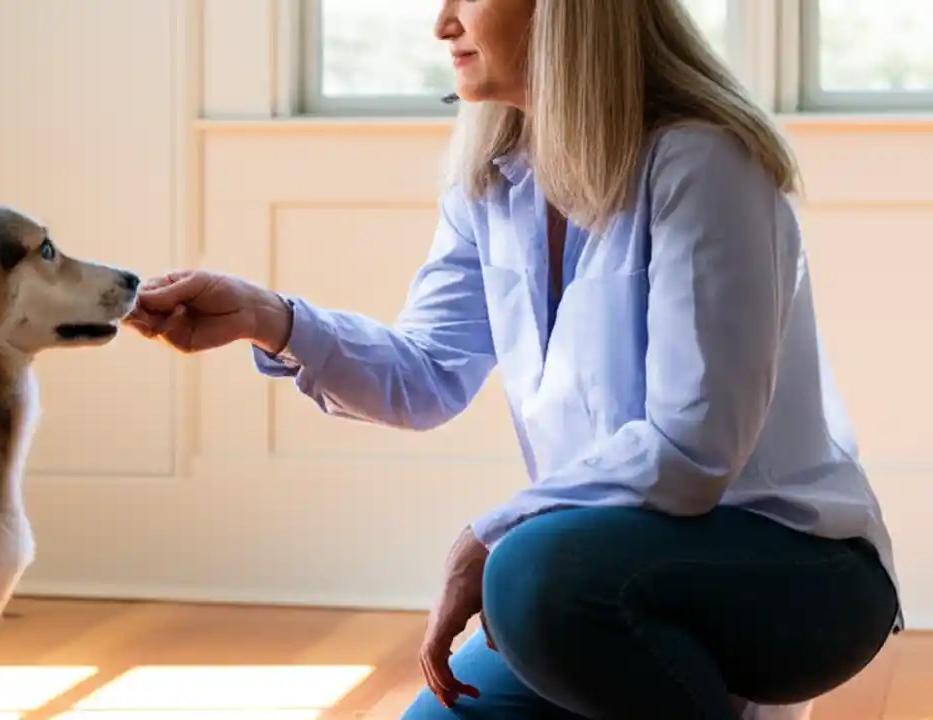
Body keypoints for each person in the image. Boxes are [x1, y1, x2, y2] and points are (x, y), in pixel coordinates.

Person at [125, 0, 902, 717]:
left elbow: (693, 450)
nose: (442, 23)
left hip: (799, 572)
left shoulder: (703, 164)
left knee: (531, 572)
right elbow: (426, 374)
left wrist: (492, 533)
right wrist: (273, 320)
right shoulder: (494, 183)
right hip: (599, 572)